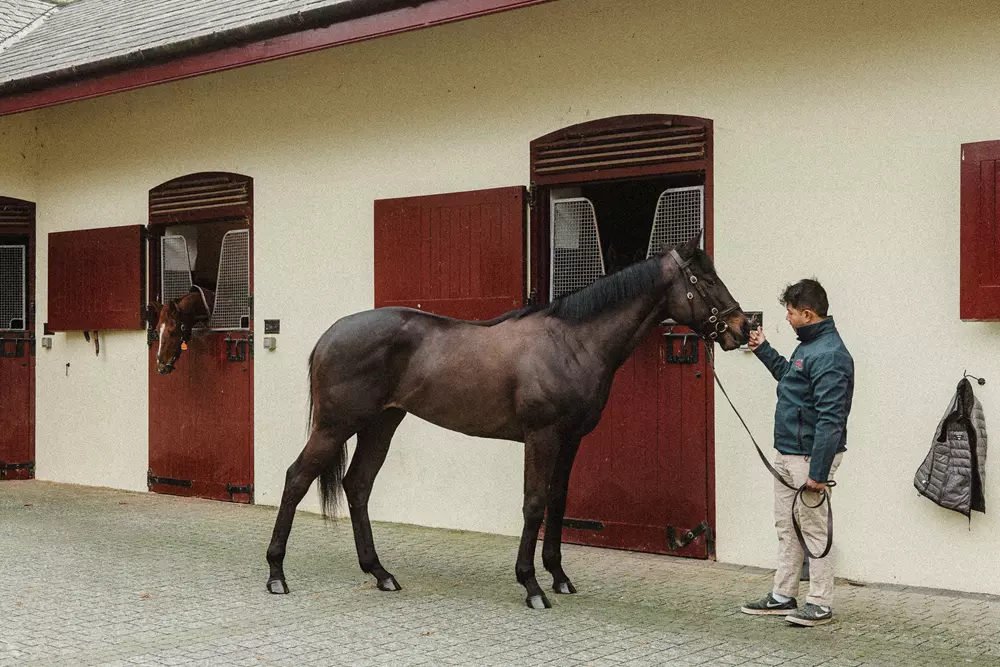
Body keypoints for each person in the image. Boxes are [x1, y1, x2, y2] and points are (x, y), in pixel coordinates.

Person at [739, 279, 854, 627]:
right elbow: (791, 379)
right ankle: (782, 596)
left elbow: (832, 419)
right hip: (788, 454)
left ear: (807, 313)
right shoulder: (808, 347)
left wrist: (819, 473)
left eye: (790, 312)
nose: (786, 318)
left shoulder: (830, 355)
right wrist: (762, 348)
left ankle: (820, 603)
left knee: (815, 532)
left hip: (808, 461)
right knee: (787, 528)